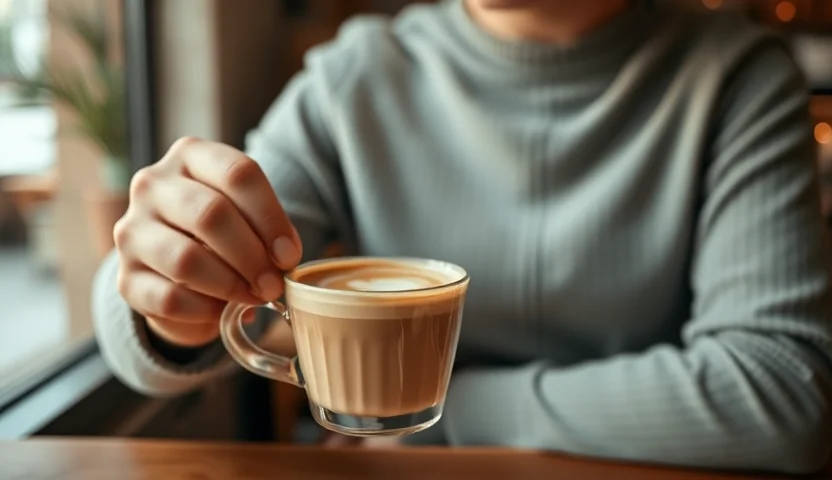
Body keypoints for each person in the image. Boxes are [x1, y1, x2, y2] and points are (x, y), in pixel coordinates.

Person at [92, 0, 832, 473]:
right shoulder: (356, 76)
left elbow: (783, 395)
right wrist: (170, 305)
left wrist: (449, 412)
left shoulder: (738, 76)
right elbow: (138, 341)